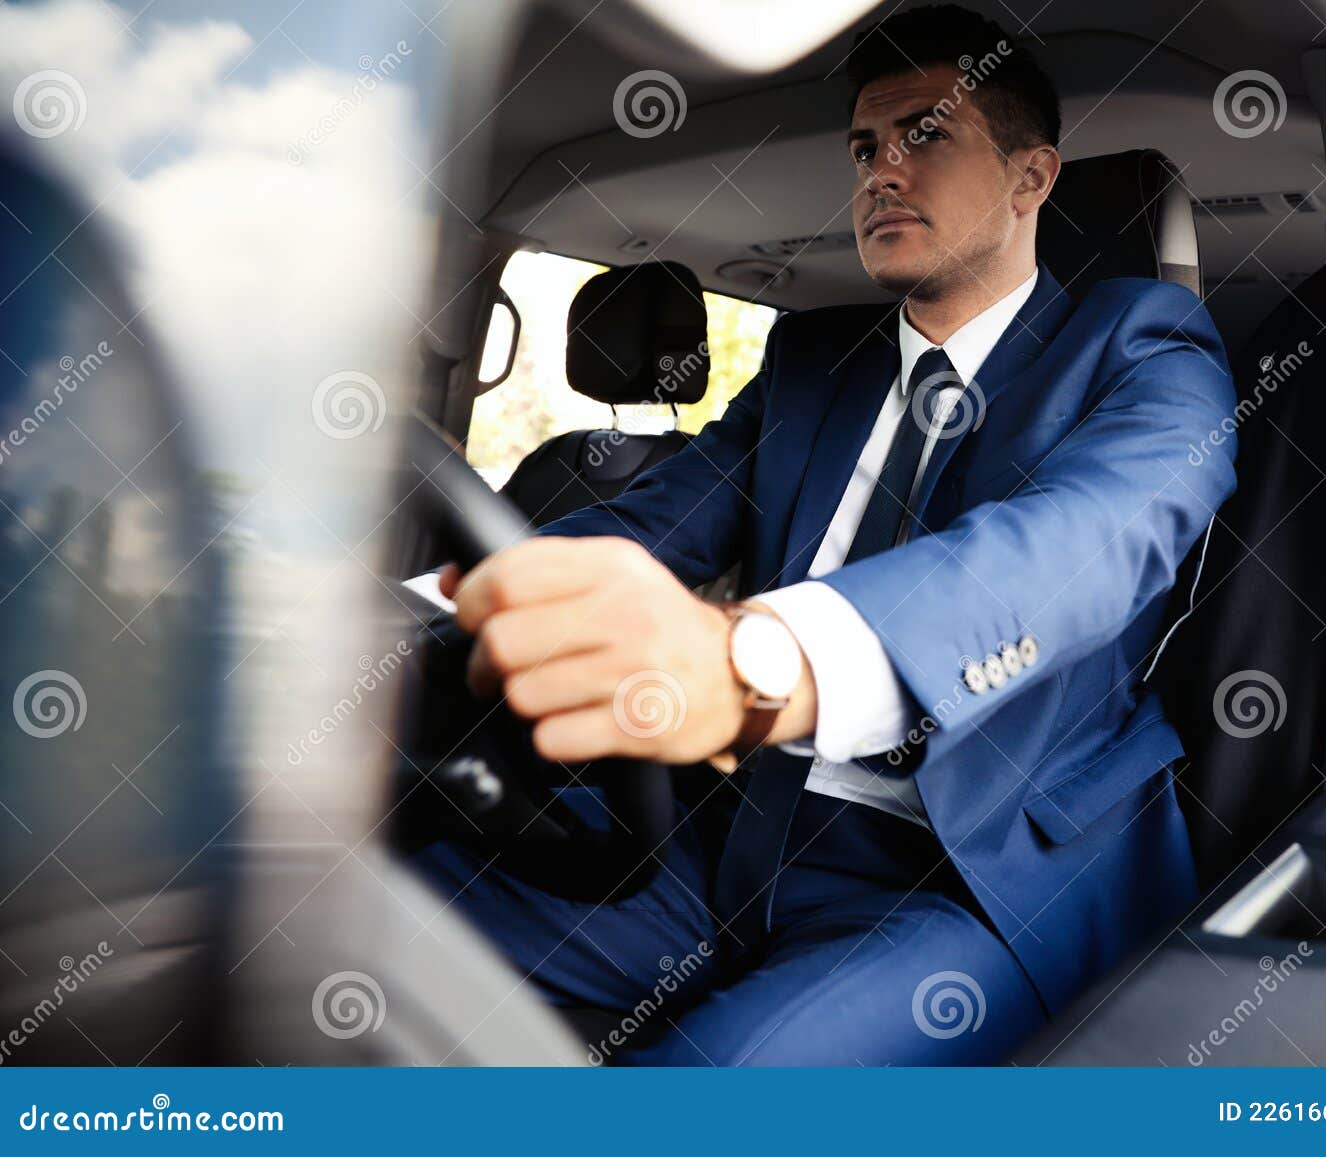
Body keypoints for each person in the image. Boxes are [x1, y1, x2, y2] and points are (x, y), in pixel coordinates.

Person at [412, 3, 1237, 1065]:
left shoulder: (1143, 346)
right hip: (732, 836)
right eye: (864, 148)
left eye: (925, 136)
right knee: (323, 917)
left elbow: (1080, 544)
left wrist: (751, 660)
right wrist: (439, 602)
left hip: (965, 879)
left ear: (1032, 178)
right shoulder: (813, 362)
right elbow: (648, 529)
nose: (881, 171)